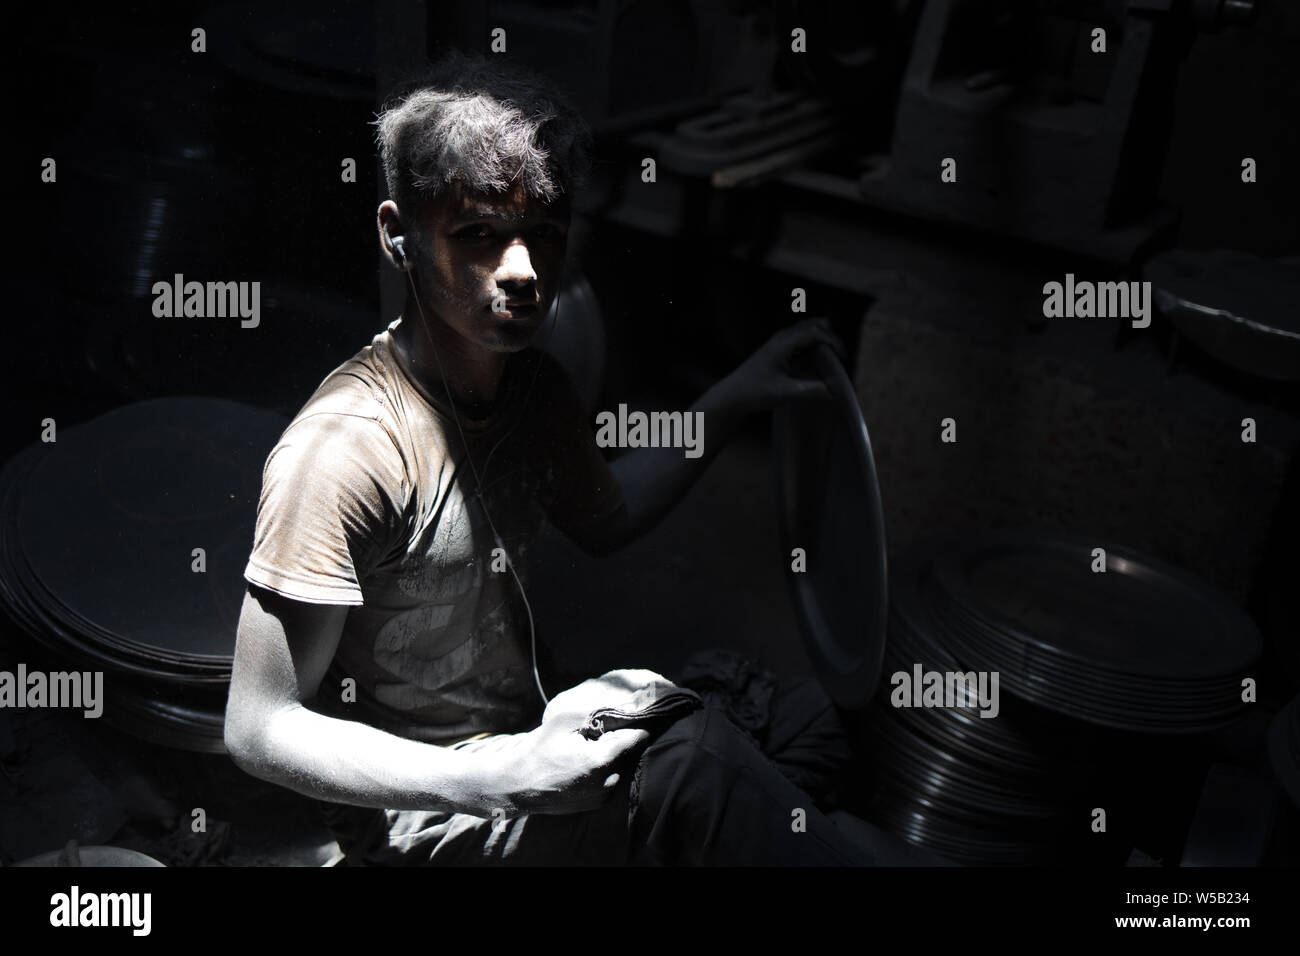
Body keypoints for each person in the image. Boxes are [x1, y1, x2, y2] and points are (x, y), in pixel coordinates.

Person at [224, 50, 868, 865]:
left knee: (819, 725)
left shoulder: (535, 388)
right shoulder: (344, 452)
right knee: (694, 770)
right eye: (479, 236)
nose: (524, 270)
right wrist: (501, 779)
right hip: (429, 812)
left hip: (537, 741)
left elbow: (610, 517)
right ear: (399, 238)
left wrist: (734, 396)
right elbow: (258, 726)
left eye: (545, 233)